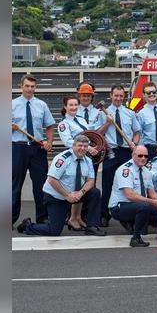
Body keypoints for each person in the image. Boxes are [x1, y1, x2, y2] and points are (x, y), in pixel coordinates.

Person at [17, 134, 103, 237]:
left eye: (85, 146)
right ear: (73, 146)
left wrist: (81, 193)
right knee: (54, 231)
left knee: (95, 193)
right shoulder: (63, 158)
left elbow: (90, 181)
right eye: (80, 145)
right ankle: (27, 226)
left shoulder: (87, 160)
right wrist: (67, 196)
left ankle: (92, 227)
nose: (83, 148)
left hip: (75, 195)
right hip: (57, 197)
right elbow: (52, 179)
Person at [11, 73, 56, 226]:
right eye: (27, 86)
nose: (29, 89)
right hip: (18, 148)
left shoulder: (42, 105)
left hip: (37, 148)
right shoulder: (11, 105)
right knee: (14, 185)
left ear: (35, 87)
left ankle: (42, 217)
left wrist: (49, 141)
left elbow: (49, 125)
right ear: (21, 87)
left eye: (32, 86)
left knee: (41, 185)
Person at [97, 85, 142, 223]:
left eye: (121, 96)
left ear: (124, 96)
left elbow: (137, 131)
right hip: (110, 151)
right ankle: (105, 215)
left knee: (128, 184)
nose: (118, 98)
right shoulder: (102, 113)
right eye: (116, 95)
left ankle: (128, 216)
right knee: (107, 183)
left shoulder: (130, 113)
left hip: (126, 151)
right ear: (111, 95)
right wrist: (107, 123)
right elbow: (98, 134)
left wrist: (134, 143)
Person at [55, 95, 100, 231]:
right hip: (74, 156)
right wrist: (87, 148)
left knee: (83, 185)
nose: (74, 107)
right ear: (65, 107)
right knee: (76, 185)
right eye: (71, 105)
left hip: (85, 156)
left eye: (76, 105)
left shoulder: (81, 119)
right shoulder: (63, 124)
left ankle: (78, 217)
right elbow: (68, 141)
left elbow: (89, 134)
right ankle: (72, 218)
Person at [109, 145, 157, 247]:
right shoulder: (125, 170)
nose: (143, 158)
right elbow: (130, 195)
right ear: (133, 155)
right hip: (120, 206)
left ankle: (132, 223)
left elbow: (151, 192)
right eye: (140, 155)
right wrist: (152, 202)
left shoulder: (146, 171)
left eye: (145, 156)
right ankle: (135, 238)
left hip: (136, 205)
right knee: (145, 207)